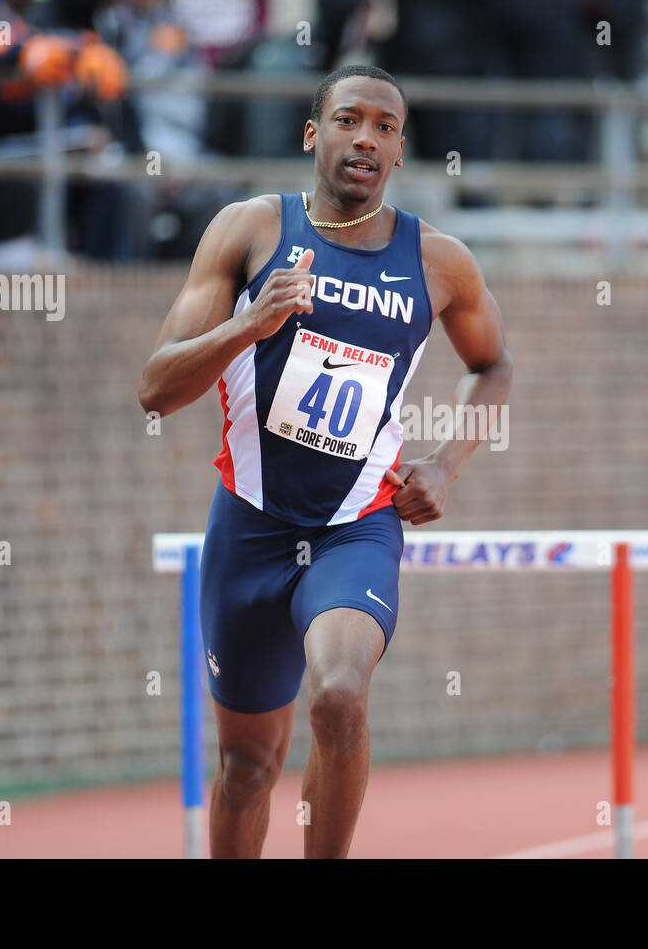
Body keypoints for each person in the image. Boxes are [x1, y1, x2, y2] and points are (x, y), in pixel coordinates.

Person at [137, 65, 512, 859]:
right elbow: (156, 389)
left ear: (401, 151)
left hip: (354, 527)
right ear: (314, 134)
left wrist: (446, 463)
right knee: (246, 765)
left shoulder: (439, 263)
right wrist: (251, 323)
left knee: (339, 694)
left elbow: (495, 364)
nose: (365, 138)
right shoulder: (250, 231)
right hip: (250, 526)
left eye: (384, 126)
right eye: (348, 120)